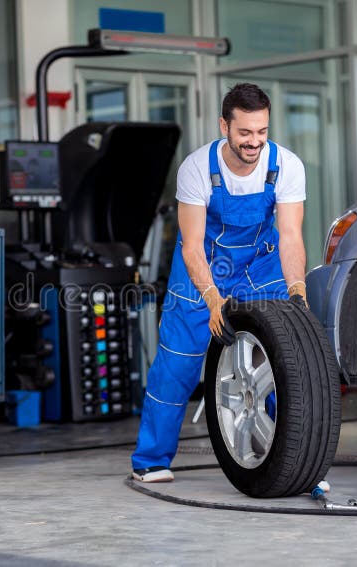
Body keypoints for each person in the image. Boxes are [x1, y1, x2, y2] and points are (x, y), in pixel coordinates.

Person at [131, 83, 308, 482]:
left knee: (287, 362)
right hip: (204, 270)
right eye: (245, 132)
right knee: (176, 365)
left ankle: (294, 463)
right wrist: (213, 301)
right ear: (224, 126)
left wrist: (297, 290)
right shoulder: (197, 168)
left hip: (261, 268)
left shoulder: (286, 165)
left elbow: (290, 236)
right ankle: (151, 459)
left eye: (261, 131)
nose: (254, 141)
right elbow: (192, 245)